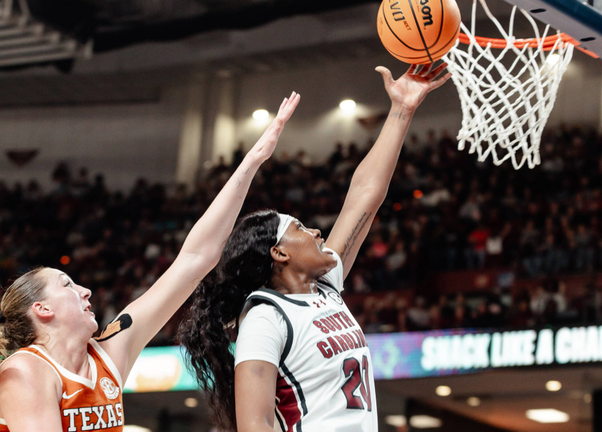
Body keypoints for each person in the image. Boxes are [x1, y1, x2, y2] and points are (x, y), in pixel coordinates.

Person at [0, 92, 302, 431]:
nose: (85, 290)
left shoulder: (109, 353)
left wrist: (252, 160)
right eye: (67, 283)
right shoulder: (25, 371)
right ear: (42, 308)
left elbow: (195, 259)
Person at [178, 62, 450, 432]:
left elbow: (364, 199)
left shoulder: (325, 288)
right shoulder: (264, 319)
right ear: (280, 253)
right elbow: (255, 425)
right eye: (300, 228)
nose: (317, 233)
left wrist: (402, 110)